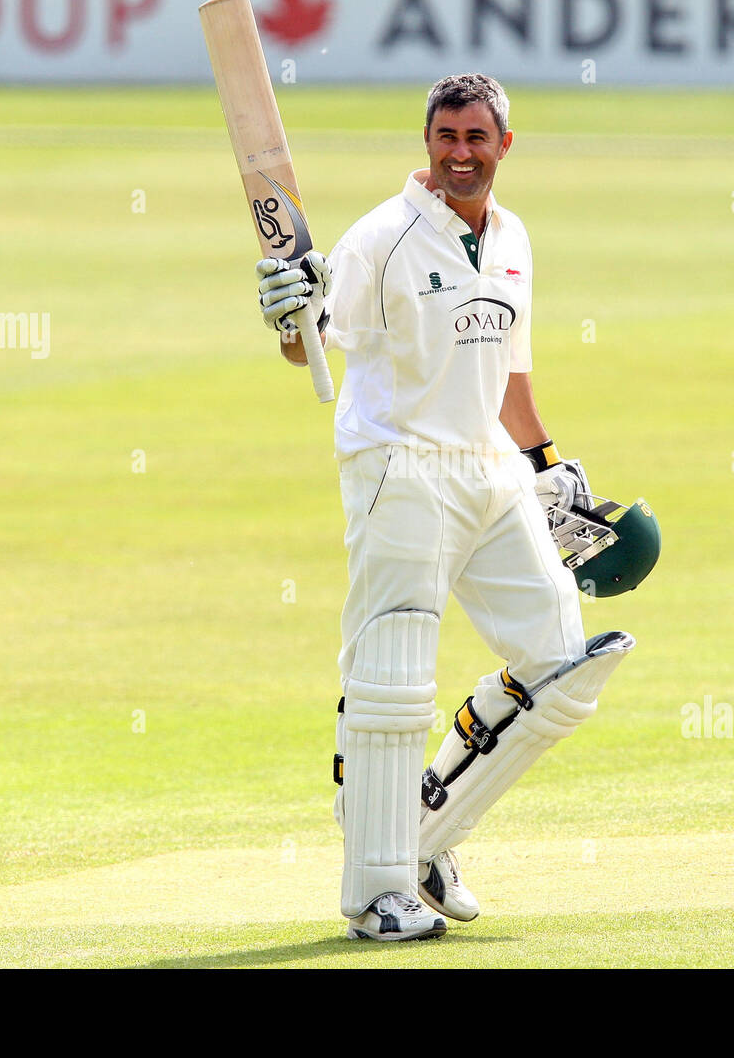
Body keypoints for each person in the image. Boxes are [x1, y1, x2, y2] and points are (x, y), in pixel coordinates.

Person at [255, 74, 634, 941]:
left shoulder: (513, 238)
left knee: (565, 664)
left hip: (491, 469)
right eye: (445, 137)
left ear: (505, 144)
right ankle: (375, 895)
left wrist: (548, 465)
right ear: (426, 142)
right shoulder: (379, 239)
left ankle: (425, 837)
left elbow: (511, 368)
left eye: (475, 137)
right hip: (401, 466)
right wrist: (289, 315)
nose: (459, 153)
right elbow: (308, 340)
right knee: (393, 679)